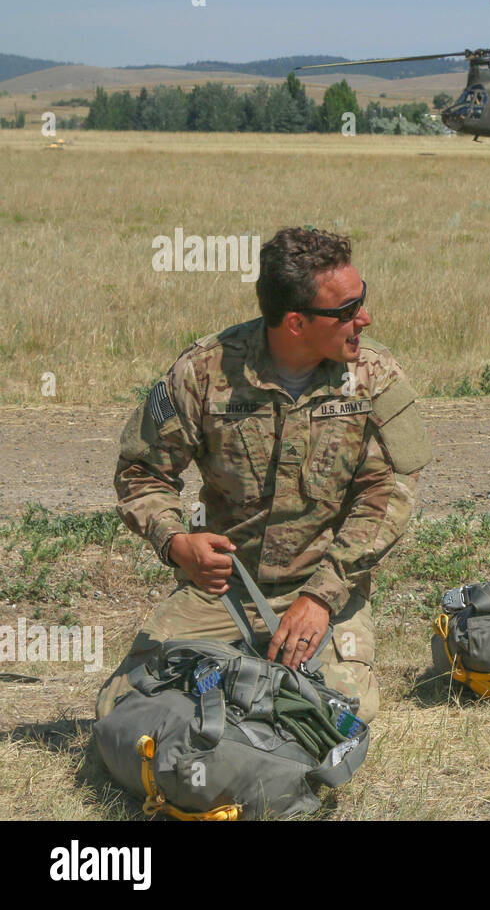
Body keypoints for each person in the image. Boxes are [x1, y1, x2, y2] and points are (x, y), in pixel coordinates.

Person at [96, 227, 431, 723]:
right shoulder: (204, 373)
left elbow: (390, 494)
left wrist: (321, 597)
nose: (365, 318)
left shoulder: (374, 376)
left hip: (322, 587)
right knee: (122, 711)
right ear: (295, 322)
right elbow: (142, 472)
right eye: (345, 311)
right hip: (224, 589)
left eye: (363, 299)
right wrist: (177, 543)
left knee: (339, 717)